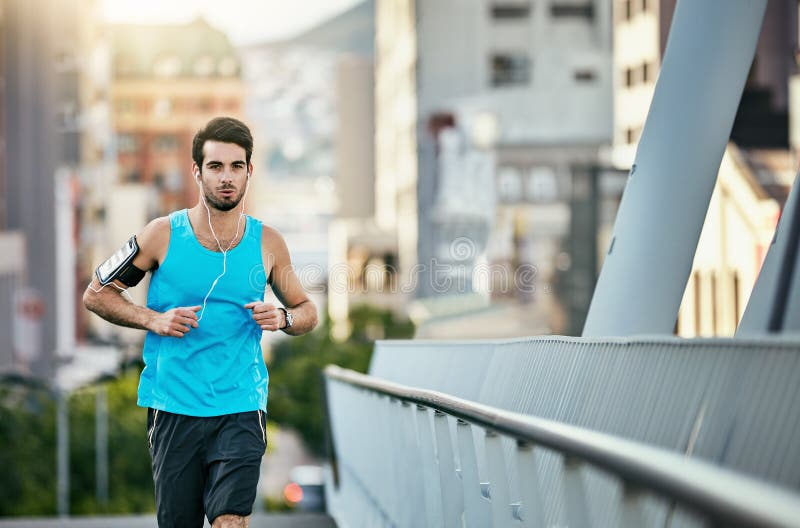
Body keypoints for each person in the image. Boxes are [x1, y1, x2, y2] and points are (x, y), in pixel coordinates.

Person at [83, 116, 318, 528]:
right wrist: (153, 319)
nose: (226, 177)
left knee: (231, 520)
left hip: (240, 405)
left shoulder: (268, 243)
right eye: (215, 166)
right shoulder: (161, 235)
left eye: (236, 166)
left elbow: (306, 311)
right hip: (174, 405)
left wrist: (282, 317)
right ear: (197, 171)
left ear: (249, 171)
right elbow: (96, 294)